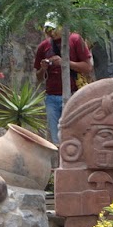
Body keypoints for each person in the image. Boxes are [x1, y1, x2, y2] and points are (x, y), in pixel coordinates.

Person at [33, 14, 94, 142]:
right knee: (56, 139)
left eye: (53, 29)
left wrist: (65, 63)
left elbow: (88, 67)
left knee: (75, 136)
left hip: (73, 95)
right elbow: (38, 77)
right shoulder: (43, 46)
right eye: (48, 29)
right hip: (51, 98)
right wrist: (43, 68)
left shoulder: (75, 40)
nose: (51, 32)